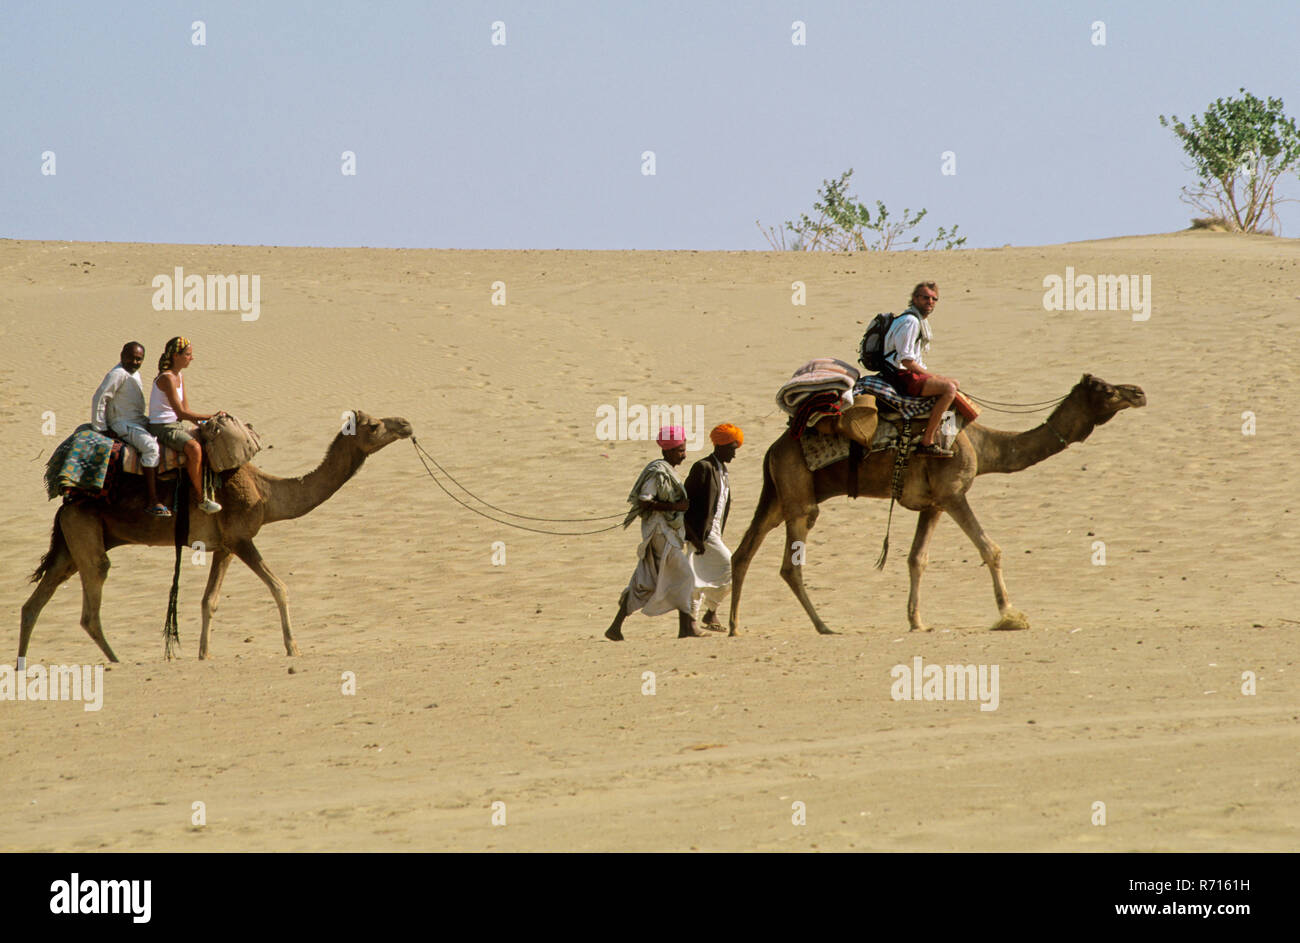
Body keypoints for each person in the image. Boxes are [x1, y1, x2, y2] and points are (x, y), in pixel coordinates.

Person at [605, 426, 704, 641]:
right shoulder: (658, 472)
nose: (684, 454)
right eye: (680, 450)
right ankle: (687, 628)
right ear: (667, 451)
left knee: (645, 581)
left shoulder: (667, 469)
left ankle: (615, 627)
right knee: (685, 576)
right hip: (661, 534)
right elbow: (645, 500)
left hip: (666, 533)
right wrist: (675, 508)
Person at [91, 341, 170, 516]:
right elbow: (99, 398)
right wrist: (101, 428)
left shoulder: (133, 373)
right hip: (124, 424)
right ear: (122, 355)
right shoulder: (117, 374)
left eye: (139, 359)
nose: (135, 362)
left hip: (138, 420)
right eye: (132, 358)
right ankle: (152, 500)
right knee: (151, 448)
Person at [148, 336, 225, 513]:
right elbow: (181, 413)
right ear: (176, 356)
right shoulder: (167, 378)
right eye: (188, 354)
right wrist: (212, 415)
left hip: (176, 425)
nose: (192, 358)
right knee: (194, 449)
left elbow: (187, 412)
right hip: (163, 427)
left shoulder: (179, 376)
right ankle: (201, 499)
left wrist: (207, 423)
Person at [882, 281, 959, 457]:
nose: (930, 302)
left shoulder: (918, 321)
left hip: (904, 372)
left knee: (954, 383)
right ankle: (928, 441)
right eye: (925, 298)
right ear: (915, 299)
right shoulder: (910, 322)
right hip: (901, 375)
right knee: (949, 388)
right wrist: (934, 376)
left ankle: (944, 434)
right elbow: (907, 361)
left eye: (934, 299)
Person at [684, 423, 742, 629]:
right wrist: (693, 535)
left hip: (714, 533)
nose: (735, 454)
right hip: (700, 534)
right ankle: (701, 617)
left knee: (698, 577)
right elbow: (686, 503)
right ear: (721, 446)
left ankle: (707, 615)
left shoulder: (722, 470)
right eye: (733, 448)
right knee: (730, 568)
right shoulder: (703, 467)